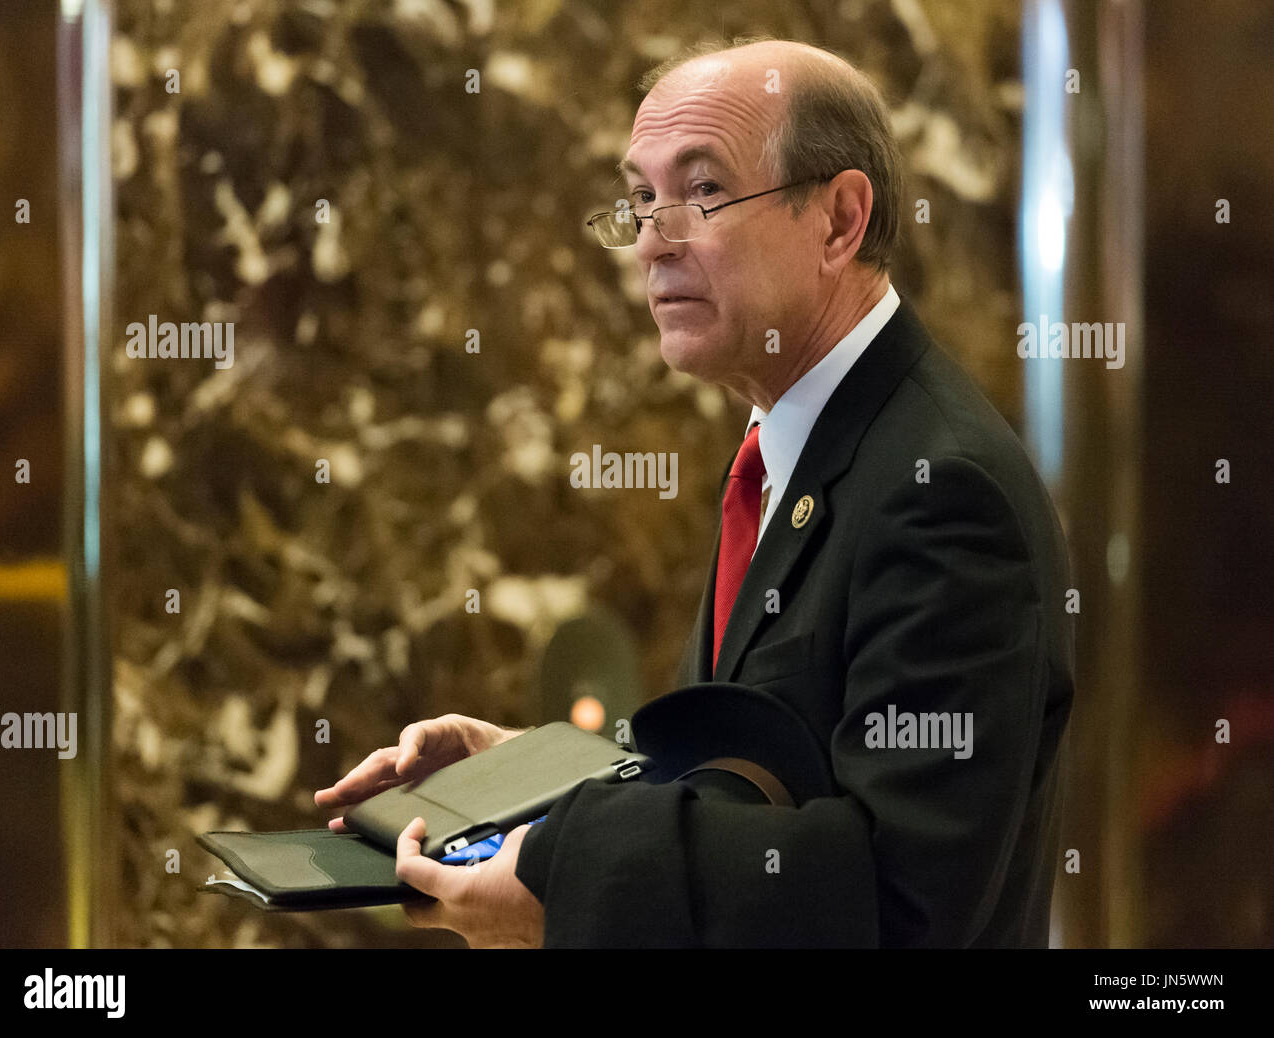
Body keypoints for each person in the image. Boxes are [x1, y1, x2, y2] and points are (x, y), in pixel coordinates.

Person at [315, 36, 1075, 948]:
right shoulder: (788, 440)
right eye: (641, 198)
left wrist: (567, 878)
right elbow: (754, 769)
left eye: (703, 190)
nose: (650, 242)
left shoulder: (942, 491)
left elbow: (896, 893)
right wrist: (517, 774)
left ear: (838, 220)